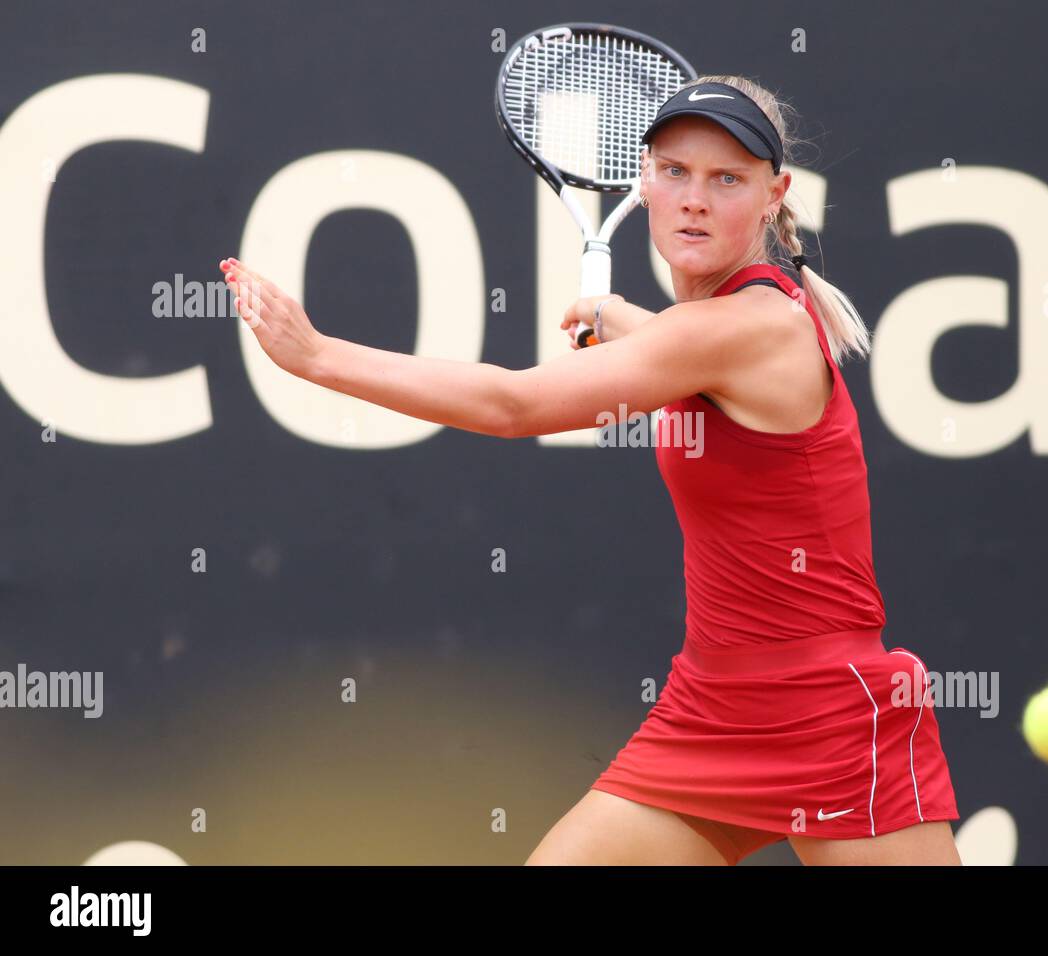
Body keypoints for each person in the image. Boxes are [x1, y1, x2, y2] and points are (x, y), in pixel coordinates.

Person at [217, 73, 960, 866]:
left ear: (774, 196)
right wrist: (626, 322)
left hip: (827, 715)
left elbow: (514, 406)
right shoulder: (719, 326)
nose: (694, 200)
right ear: (643, 181)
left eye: (727, 180)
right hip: (712, 708)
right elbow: (698, 370)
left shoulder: (750, 326)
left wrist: (320, 356)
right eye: (674, 172)